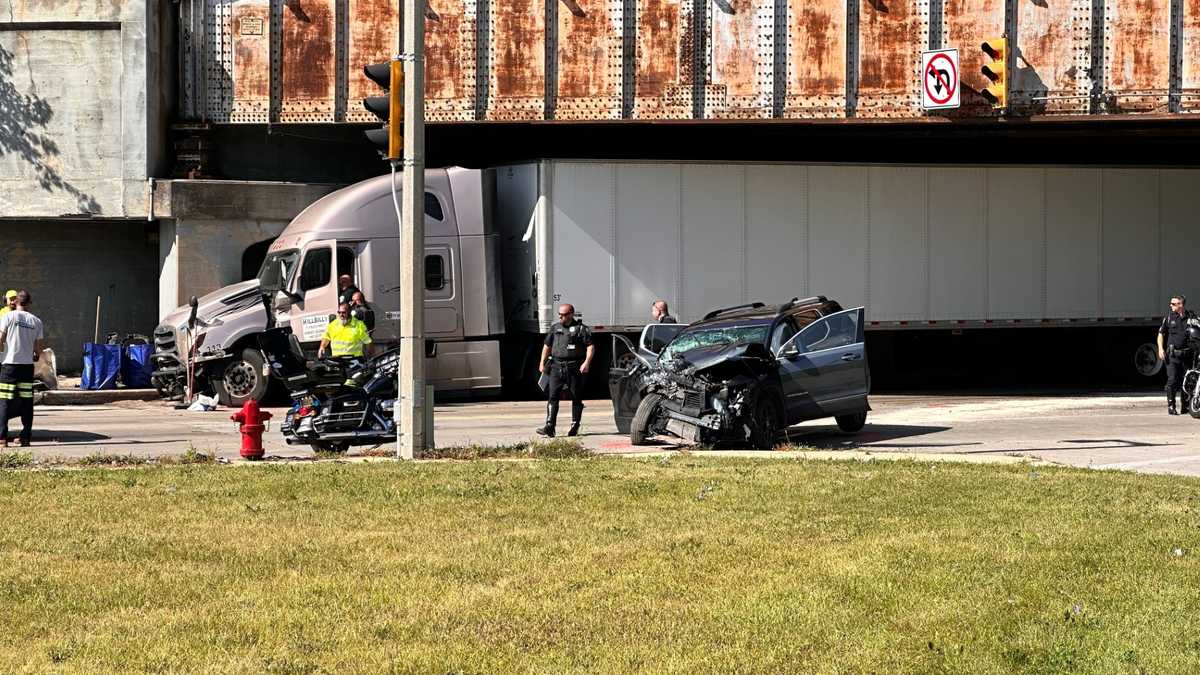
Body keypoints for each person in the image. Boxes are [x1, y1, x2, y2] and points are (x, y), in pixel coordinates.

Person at [536, 303, 594, 437]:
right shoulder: (555, 328)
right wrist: (542, 363)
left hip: (574, 367)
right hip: (556, 366)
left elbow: (590, 347)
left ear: (571, 314)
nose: (561, 317)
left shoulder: (581, 329)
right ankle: (550, 426)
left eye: (564, 315)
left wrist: (586, 362)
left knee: (576, 396)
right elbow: (547, 346)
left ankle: (575, 426)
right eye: (559, 315)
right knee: (552, 396)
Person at [0, 290, 44, 447]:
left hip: (9, 367)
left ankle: (2, 438)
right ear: (29, 303)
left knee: (4, 401)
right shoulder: (36, 321)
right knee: (26, 401)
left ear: (16, 301)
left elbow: (0, 339)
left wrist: (2, 351)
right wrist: (35, 355)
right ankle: (25, 437)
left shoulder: (8, 317)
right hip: (26, 368)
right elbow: (39, 349)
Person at [1158, 294, 1196, 415]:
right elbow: (1161, 334)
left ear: (1181, 304)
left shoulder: (1191, 317)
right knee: (1172, 379)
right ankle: (1171, 406)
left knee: (1188, 381)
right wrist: (1160, 348)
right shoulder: (1169, 317)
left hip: (1187, 355)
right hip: (1173, 355)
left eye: (1173, 304)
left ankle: (1185, 406)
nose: (1171, 305)